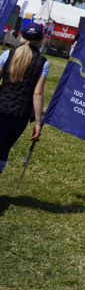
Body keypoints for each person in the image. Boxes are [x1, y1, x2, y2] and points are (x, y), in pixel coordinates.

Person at [0, 23, 48, 176]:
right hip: (20, 116)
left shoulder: (7, 54)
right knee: (4, 149)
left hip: (1, 109)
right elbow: (38, 94)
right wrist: (38, 123)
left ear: (21, 36)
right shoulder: (43, 62)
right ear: (41, 40)